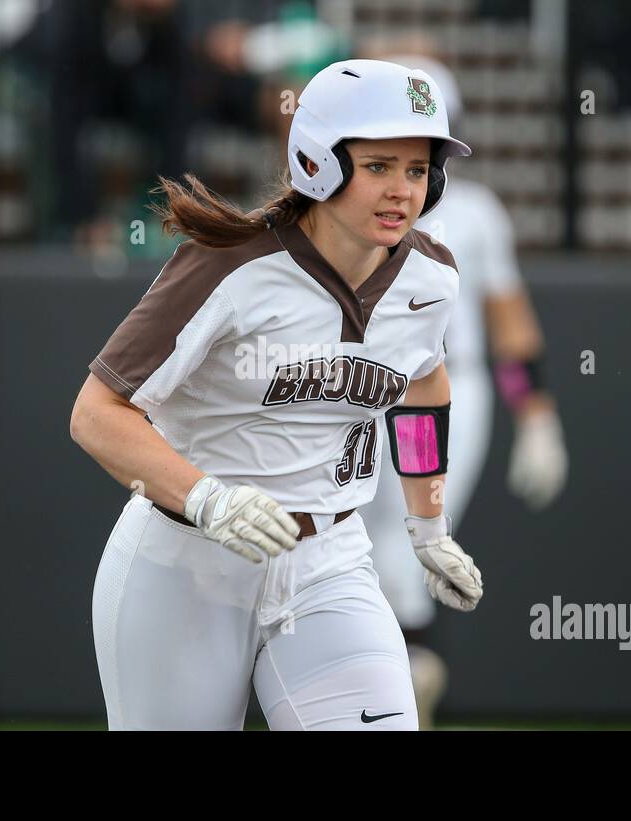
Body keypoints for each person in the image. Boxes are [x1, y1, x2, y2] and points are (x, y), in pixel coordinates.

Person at [68, 59, 482, 730]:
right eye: (378, 166)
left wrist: (428, 524)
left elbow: (423, 386)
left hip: (331, 564)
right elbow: (95, 413)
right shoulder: (230, 265)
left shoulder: (430, 277)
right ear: (320, 163)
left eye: (417, 169)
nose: (402, 189)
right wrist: (209, 497)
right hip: (186, 566)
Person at [358, 54, 569, 729]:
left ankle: (402, 673)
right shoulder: (346, 206)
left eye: (421, 159)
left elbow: (507, 323)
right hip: (358, 387)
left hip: (443, 390)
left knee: (407, 537)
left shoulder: (474, 214)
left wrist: (534, 413)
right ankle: (389, 675)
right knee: (354, 537)